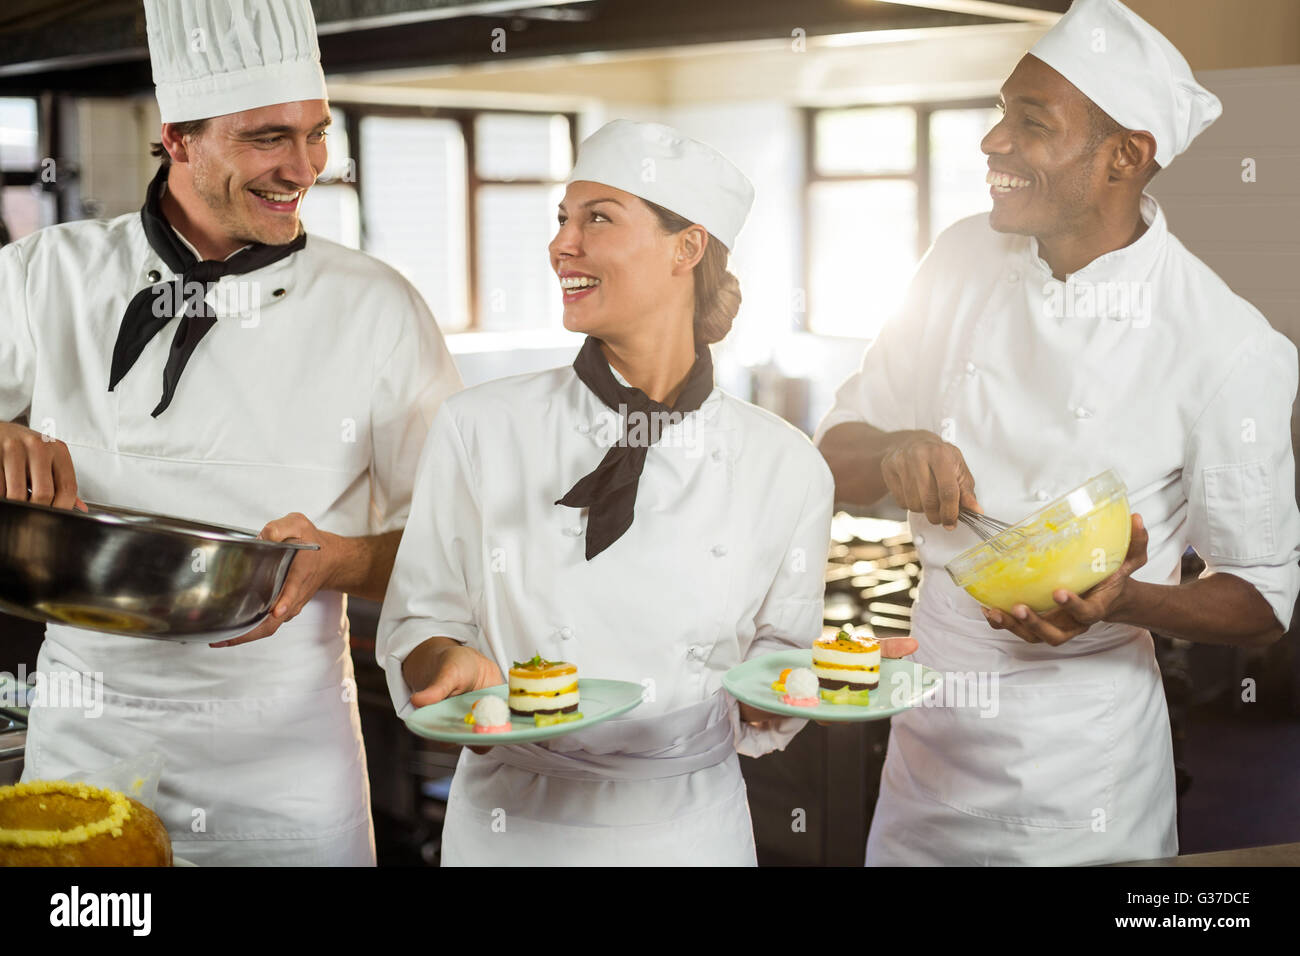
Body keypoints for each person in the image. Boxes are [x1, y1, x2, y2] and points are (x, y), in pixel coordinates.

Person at [817, 0, 1300, 866]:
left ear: (1126, 155)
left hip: (1084, 778)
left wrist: (1127, 603)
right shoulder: (958, 260)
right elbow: (834, 454)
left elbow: (1262, 600)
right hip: (927, 748)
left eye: (1031, 123)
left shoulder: (1227, 344)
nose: (992, 141)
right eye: (1002, 111)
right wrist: (893, 451)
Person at [2, 0, 461, 864]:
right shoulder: (43, 276)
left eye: (317, 133)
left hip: (285, 763)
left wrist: (346, 561)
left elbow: (455, 538)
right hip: (85, 736)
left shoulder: (378, 308)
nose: (306, 166)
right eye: (267, 138)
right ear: (177, 138)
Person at [377, 119, 834, 865]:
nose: (563, 244)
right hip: (510, 826)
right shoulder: (480, 428)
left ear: (687, 248)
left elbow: (779, 660)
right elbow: (422, 617)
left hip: (690, 832)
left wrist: (825, 679)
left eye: (598, 218)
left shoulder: (786, 463)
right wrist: (440, 660)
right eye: (563, 219)